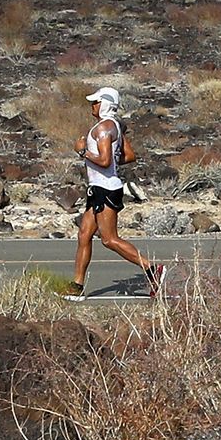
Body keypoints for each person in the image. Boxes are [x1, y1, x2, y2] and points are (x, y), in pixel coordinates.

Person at [68, 87, 163, 297]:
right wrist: (108, 158)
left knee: (109, 239)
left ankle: (151, 269)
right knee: (84, 234)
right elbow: (128, 156)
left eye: (95, 102)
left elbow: (104, 161)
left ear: (106, 104)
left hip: (105, 188)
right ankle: (76, 286)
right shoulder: (115, 127)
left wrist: (82, 151)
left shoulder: (103, 128)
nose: (92, 106)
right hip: (100, 188)